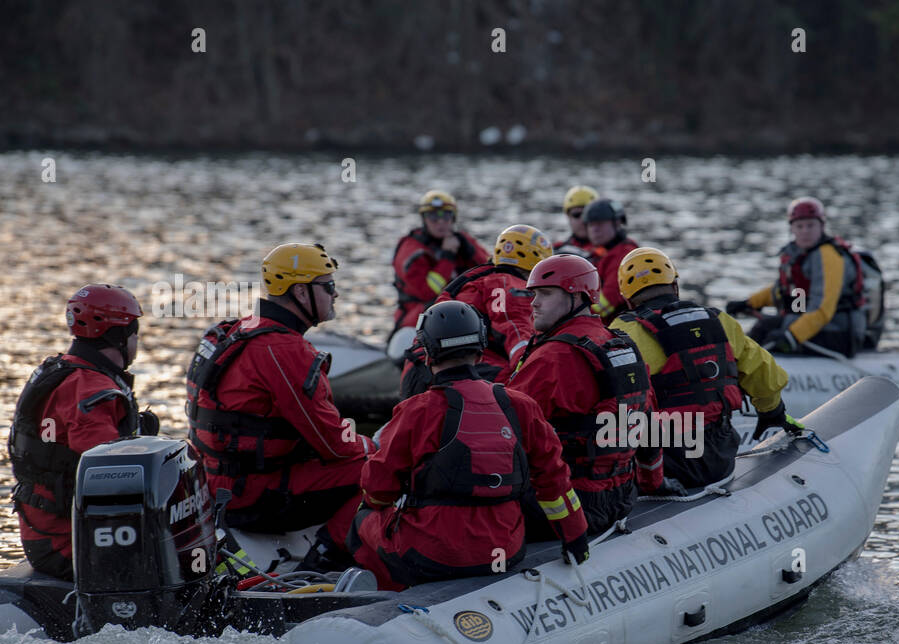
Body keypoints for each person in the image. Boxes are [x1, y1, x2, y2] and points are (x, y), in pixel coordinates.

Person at [349, 301, 589, 590]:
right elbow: (554, 480)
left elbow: (378, 485)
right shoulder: (520, 405)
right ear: (480, 349)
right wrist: (575, 538)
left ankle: (379, 591)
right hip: (505, 551)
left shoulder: (416, 410)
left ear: (427, 354)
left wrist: (379, 505)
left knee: (363, 517)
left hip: (433, 554)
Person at [186, 242, 375, 571]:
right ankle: (323, 559)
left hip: (217, 485)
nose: (336, 295)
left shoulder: (235, 330)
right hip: (253, 495)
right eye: (328, 286)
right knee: (384, 468)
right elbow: (334, 443)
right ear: (301, 293)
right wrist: (372, 445)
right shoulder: (285, 350)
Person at [611, 248, 802, 488]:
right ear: (675, 286)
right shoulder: (717, 319)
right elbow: (766, 374)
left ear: (628, 299)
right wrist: (771, 412)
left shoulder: (622, 333)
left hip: (666, 462)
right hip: (720, 455)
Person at [9, 285, 159, 579]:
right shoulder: (92, 391)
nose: (137, 342)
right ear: (119, 337)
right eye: (135, 334)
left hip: (42, 529)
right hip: (66, 542)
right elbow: (115, 474)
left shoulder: (63, 371)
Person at [509, 254, 663, 536]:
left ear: (577, 297)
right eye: (533, 294)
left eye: (545, 293)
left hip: (572, 504)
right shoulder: (622, 344)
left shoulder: (554, 357)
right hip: (622, 498)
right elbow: (648, 424)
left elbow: (501, 428)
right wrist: (653, 483)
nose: (534, 303)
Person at [399, 224, 553, 399]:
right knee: (522, 388)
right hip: (449, 367)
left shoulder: (478, 279)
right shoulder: (507, 286)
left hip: (422, 366)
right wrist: (528, 366)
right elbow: (514, 327)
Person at [728, 196, 886, 357]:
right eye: (800, 226)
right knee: (764, 327)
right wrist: (749, 303)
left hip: (840, 333)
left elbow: (822, 309)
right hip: (816, 329)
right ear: (792, 228)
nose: (805, 231)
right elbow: (783, 289)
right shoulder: (799, 254)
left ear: (822, 226)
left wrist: (791, 336)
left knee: (770, 336)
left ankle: (752, 373)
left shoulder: (828, 256)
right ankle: (735, 368)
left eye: (811, 225)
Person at [389, 189, 490, 339]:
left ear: (453, 219)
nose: (441, 223)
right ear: (424, 219)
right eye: (434, 217)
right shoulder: (412, 251)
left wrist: (470, 252)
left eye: (446, 216)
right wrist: (447, 257)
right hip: (416, 318)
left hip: (459, 312)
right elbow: (428, 292)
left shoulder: (461, 240)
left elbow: (490, 271)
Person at [581, 198, 639, 319]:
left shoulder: (623, 255)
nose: (594, 230)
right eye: (591, 224)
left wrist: (573, 317)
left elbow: (606, 304)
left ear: (617, 223)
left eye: (600, 224)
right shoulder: (599, 252)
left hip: (616, 326)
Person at [555, 185, 599, 258]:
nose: (582, 220)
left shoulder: (612, 251)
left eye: (588, 214)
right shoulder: (556, 250)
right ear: (568, 217)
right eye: (576, 215)